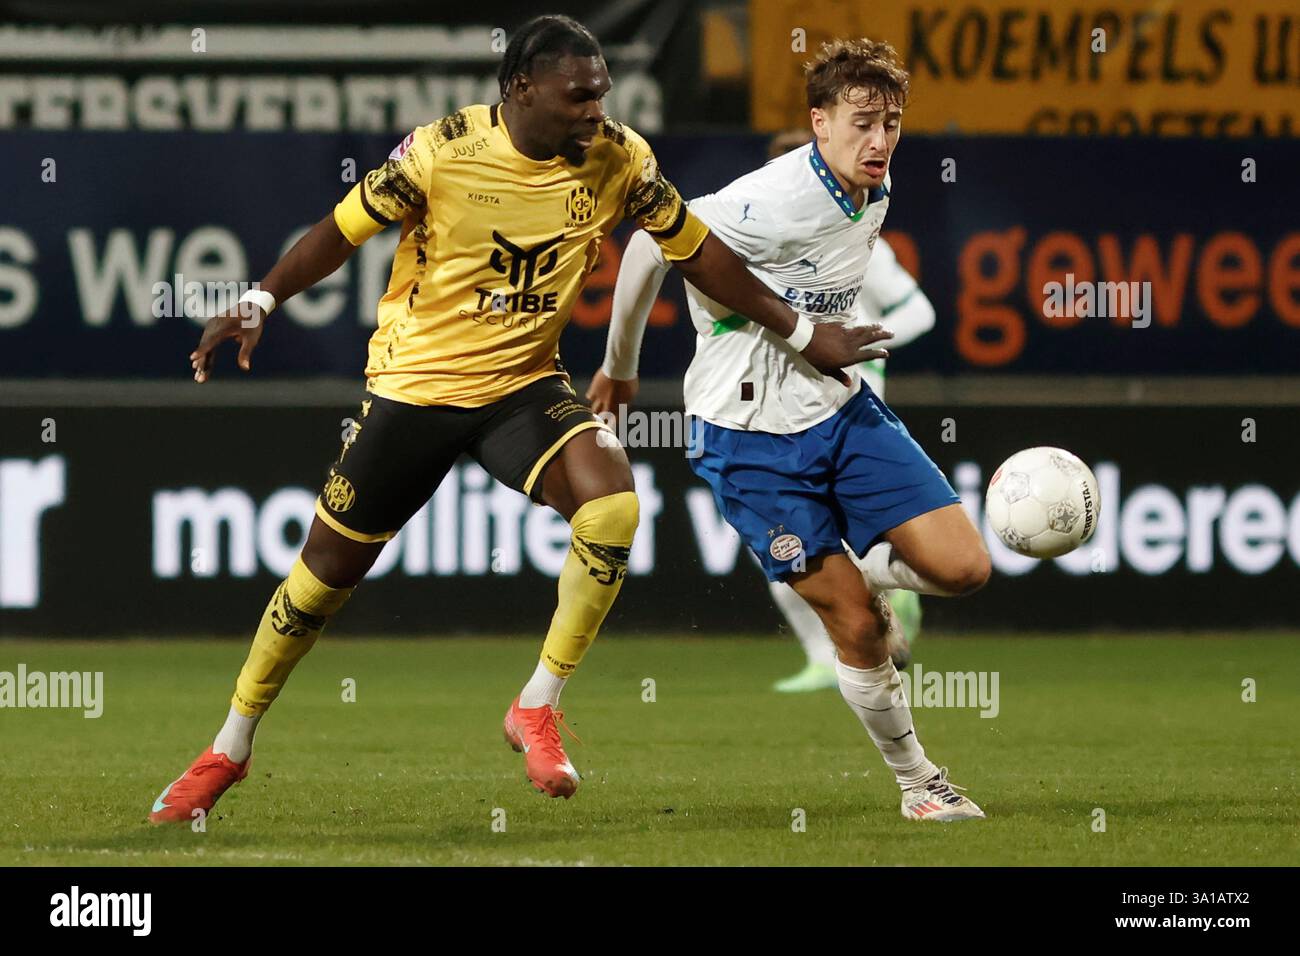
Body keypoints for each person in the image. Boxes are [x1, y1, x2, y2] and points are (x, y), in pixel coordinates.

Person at [149, 15, 887, 823]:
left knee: (613, 506)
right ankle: (230, 745)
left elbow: (697, 250)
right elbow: (339, 232)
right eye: (578, 98)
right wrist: (260, 298)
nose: (595, 113)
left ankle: (537, 704)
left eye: (601, 95)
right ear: (521, 90)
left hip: (522, 385)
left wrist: (806, 334)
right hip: (414, 389)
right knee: (319, 583)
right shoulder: (440, 152)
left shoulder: (621, 159)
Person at [590, 38, 990, 821]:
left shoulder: (872, 191)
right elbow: (648, 242)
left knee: (966, 569)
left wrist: (820, 343)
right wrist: (622, 367)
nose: (880, 141)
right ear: (819, 122)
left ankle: (860, 569)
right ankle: (920, 784)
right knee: (859, 627)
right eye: (862, 122)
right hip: (746, 437)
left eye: (892, 123)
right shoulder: (772, 200)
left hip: (838, 409)